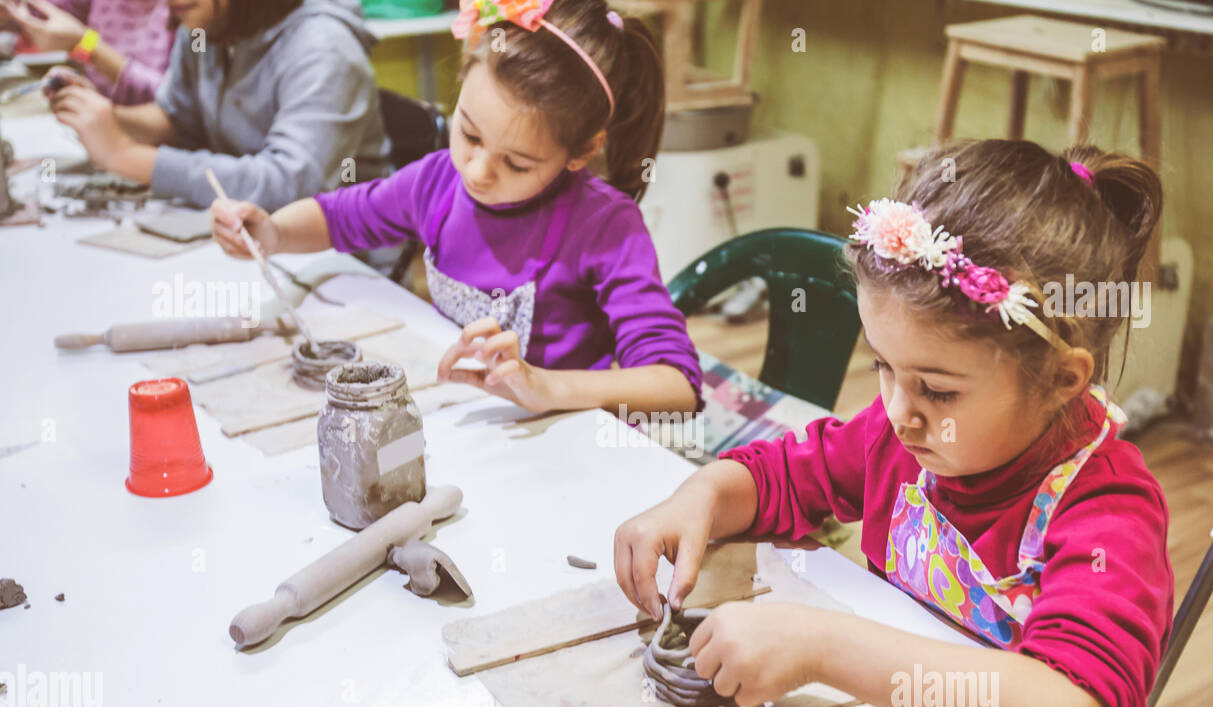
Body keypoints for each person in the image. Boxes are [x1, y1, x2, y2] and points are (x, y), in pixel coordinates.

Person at [615, 139, 1173, 707]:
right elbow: (782, 479)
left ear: (1062, 379)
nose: (899, 411)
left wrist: (823, 648)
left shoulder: (1107, 511)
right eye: (882, 366)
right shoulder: (901, 434)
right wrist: (700, 498)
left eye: (937, 389)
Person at [211, 0, 700, 417]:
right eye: (468, 133)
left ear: (582, 152)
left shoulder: (606, 226)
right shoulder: (437, 181)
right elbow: (341, 216)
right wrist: (273, 232)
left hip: (560, 440)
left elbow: (676, 385)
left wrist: (546, 386)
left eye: (517, 163)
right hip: (458, 415)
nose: (478, 172)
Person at [48, 0, 389, 209]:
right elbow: (178, 120)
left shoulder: (324, 48)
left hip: (348, 261)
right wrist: (105, 117)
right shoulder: (205, 29)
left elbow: (287, 187)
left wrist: (125, 155)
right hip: (250, 231)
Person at [0, 0, 170, 104]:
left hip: (147, 138)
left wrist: (86, 45)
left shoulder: (180, 8)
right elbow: (42, 13)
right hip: (100, 119)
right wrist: (11, 10)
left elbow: (173, 104)